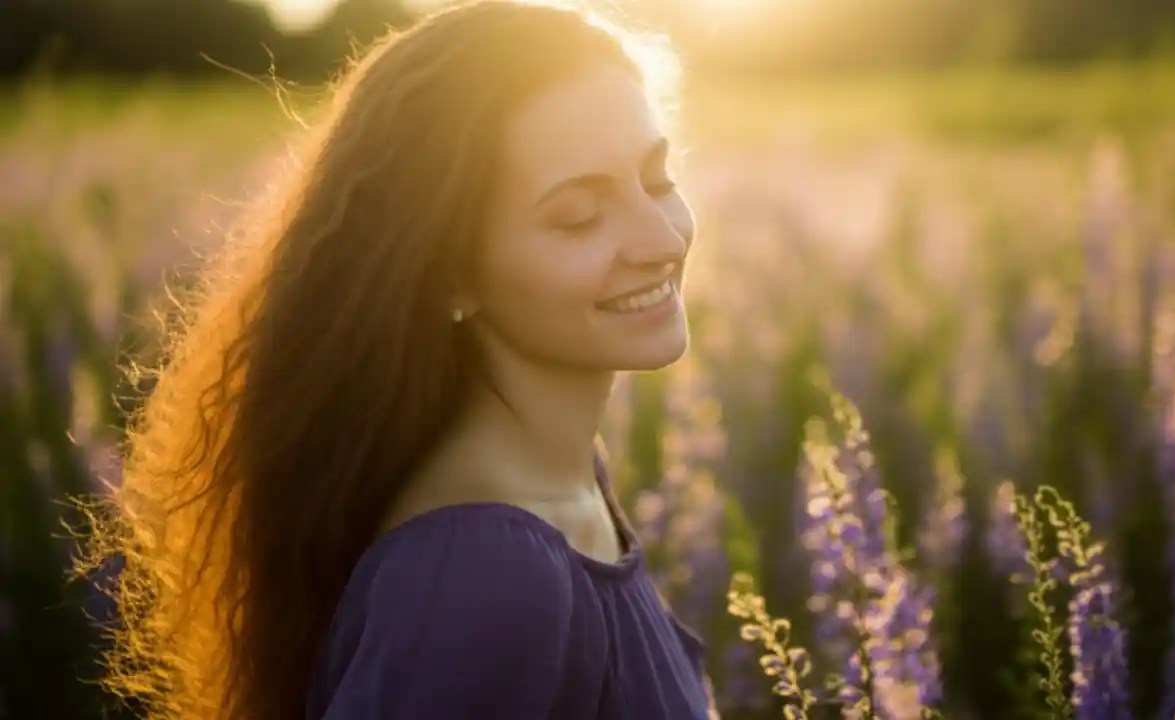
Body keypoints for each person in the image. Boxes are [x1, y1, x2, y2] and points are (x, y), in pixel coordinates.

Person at [71, 1, 718, 718]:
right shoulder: (486, 569)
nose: (660, 236)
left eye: (658, 180)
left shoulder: (565, 476)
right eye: (578, 216)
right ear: (450, 273)